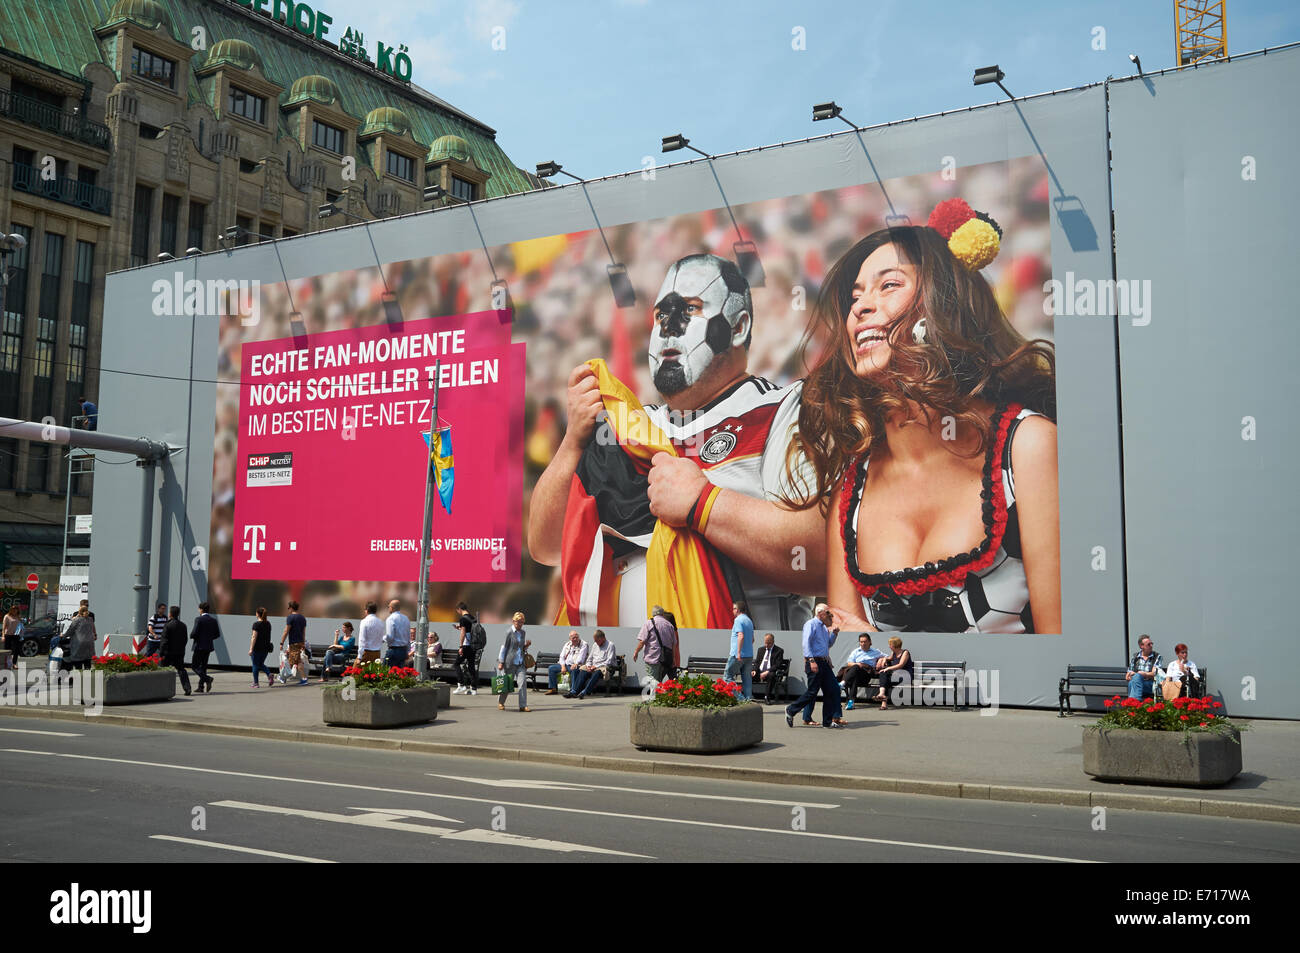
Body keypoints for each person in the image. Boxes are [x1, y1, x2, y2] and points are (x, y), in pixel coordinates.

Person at [789, 206, 1059, 636]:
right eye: (855, 296)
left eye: (888, 285)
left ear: (943, 304)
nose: (860, 308)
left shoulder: (1029, 446)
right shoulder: (850, 489)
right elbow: (849, 660)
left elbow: (1061, 655)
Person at [528, 254, 824, 631]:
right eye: (659, 315)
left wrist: (704, 505)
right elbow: (547, 546)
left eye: (690, 308)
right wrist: (572, 442)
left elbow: (815, 558)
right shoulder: (629, 425)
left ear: (738, 327)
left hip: (740, 680)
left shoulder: (783, 409)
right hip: (619, 676)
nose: (669, 327)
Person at [785, 603, 844, 728]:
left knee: (832, 689)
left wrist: (834, 634)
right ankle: (791, 710)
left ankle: (827, 722)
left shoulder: (823, 628)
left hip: (824, 662)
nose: (830, 616)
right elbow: (806, 644)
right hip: (815, 661)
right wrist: (811, 661)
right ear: (820, 613)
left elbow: (827, 644)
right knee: (812, 692)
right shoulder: (810, 624)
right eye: (828, 613)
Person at [631, 606, 678, 682]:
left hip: (653, 658)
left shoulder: (649, 623)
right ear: (662, 614)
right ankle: (659, 693)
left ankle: (655, 694)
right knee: (659, 682)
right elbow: (674, 644)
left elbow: (642, 641)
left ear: (653, 614)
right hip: (666, 659)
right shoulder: (669, 625)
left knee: (653, 682)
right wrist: (673, 659)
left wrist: (636, 652)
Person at [839, 632, 885, 709]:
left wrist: (882, 659)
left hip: (866, 676)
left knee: (855, 669)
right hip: (855, 675)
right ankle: (851, 702)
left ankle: (843, 683)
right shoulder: (856, 651)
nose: (863, 644)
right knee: (855, 674)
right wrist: (858, 665)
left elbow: (888, 657)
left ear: (870, 642)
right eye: (861, 642)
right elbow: (849, 663)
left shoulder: (876, 652)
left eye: (865, 641)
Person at [496, 611, 531, 712]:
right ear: (513, 621)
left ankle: (523, 705)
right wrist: (501, 661)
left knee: (522, 683)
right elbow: (504, 647)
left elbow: (520, 648)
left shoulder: (523, 632)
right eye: (517, 622)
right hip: (509, 663)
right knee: (507, 684)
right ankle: (501, 702)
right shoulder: (509, 632)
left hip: (520, 662)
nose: (519, 624)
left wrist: (526, 646)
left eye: (521, 622)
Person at [725, 600, 755, 702]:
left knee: (727, 677)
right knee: (747, 679)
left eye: (733, 609)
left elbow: (740, 636)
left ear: (737, 610)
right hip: (749, 655)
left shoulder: (738, 620)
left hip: (738, 654)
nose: (732, 611)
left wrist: (738, 652)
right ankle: (748, 700)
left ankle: (741, 699)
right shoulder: (749, 621)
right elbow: (752, 639)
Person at [572, 629, 616, 698]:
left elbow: (609, 661)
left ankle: (585, 691)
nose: (596, 642)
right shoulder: (595, 645)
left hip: (605, 668)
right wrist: (589, 666)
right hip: (594, 666)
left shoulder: (610, 645)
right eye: (595, 641)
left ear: (602, 638)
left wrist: (596, 666)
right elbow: (590, 658)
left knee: (597, 672)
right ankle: (574, 691)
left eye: (597, 641)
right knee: (583, 670)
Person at [873, 637, 913, 710]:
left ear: (894, 645)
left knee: (885, 678)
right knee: (884, 675)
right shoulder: (894, 653)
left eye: (890, 644)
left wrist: (888, 668)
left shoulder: (905, 652)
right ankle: (882, 695)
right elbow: (889, 658)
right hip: (896, 676)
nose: (889, 646)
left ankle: (883, 702)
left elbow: (901, 665)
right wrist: (884, 659)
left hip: (905, 676)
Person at [190, 602, 222, 693]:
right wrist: (208, 638)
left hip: (199, 646)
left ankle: (207, 679)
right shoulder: (213, 620)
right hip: (208, 646)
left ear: (201, 609)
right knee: (203, 666)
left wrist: (192, 636)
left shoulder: (198, 619)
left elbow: (194, 633)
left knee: (194, 666)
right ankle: (201, 687)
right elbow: (217, 634)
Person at [452, 602, 483, 695]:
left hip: (466, 645)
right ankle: (473, 689)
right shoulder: (472, 618)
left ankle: (461, 685)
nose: (458, 612)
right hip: (473, 646)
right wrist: (460, 627)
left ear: (459, 609)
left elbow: (463, 633)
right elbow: (469, 631)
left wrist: (461, 646)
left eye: (457, 611)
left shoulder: (462, 618)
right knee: (471, 666)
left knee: (456, 664)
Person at [161, 605, 192, 696]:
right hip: (179, 652)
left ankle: (164, 689)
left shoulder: (167, 625)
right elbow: (185, 639)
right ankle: (187, 688)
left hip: (168, 652)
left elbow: (164, 640)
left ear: (170, 614)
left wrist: (162, 652)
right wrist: (181, 648)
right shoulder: (183, 625)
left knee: (164, 670)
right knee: (181, 670)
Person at [278, 600, 309, 686]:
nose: (288, 609)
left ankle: (282, 677)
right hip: (300, 642)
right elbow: (303, 632)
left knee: (291, 662)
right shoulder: (303, 618)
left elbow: (286, 631)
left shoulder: (290, 617)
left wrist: (281, 643)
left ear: (291, 608)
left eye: (289, 608)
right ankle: (303, 679)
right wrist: (303, 643)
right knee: (298, 661)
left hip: (293, 643)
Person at [548, 630, 588, 695]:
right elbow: (562, 656)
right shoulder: (567, 644)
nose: (575, 639)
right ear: (570, 639)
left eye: (576, 637)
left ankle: (573, 691)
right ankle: (553, 689)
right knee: (551, 668)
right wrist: (563, 666)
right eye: (573, 638)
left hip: (576, 665)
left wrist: (576, 664)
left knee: (574, 670)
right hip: (566, 664)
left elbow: (582, 657)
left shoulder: (584, 644)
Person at [1126, 635, 1162, 701]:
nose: (1151, 645)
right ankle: (1135, 703)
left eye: (1152, 643)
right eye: (1149, 644)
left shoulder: (1157, 657)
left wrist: (1144, 674)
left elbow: (1154, 673)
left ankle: (1133, 705)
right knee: (1133, 681)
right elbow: (1128, 675)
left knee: (1135, 679)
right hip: (1137, 684)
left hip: (1150, 684)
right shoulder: (1135, 657)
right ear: (1141, 646)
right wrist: (1132, 675)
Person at [751, 633, 785, 703]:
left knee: (771, 675)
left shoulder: (779, 651)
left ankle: (767, 697)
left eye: (769, 643)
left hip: (769, 672)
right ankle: (750, 696)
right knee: (748, 675)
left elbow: (777, 665)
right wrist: (754, 670)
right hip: (759, 672)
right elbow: (757, 662)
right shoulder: (760, 650)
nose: (767, 645)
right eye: (765, 643)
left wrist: (767, 671)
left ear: (773, 641)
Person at [63, 606, 96, 671]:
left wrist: (63, 636)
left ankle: (79, 674)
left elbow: (70, 630)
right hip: (90, 643)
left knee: (78, 660)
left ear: (79, 612)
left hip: (79, 643)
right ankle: (87, 675)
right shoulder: (90, 619)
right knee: (87, 659)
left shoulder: (77, 620)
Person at [250, 607, 276, 687]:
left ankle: (256, 683)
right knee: (260, 664)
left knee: (255, 664)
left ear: (258, 614)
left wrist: (251, 648)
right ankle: (269, 674)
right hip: (265, 648)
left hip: (257, 648)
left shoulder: (256, 624)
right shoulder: (268, 624)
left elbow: (254, 637)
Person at [383, 598, 411, 668]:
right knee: (399, 674)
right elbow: (408, 636)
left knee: (384, 672)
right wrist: (407, 651)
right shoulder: (406, 618)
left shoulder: (390, 618)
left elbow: (390, 637)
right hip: (403, 651)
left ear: (391, 608)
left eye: (388, 607)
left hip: (394, 650)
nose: (388, 608)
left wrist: (382, 639)